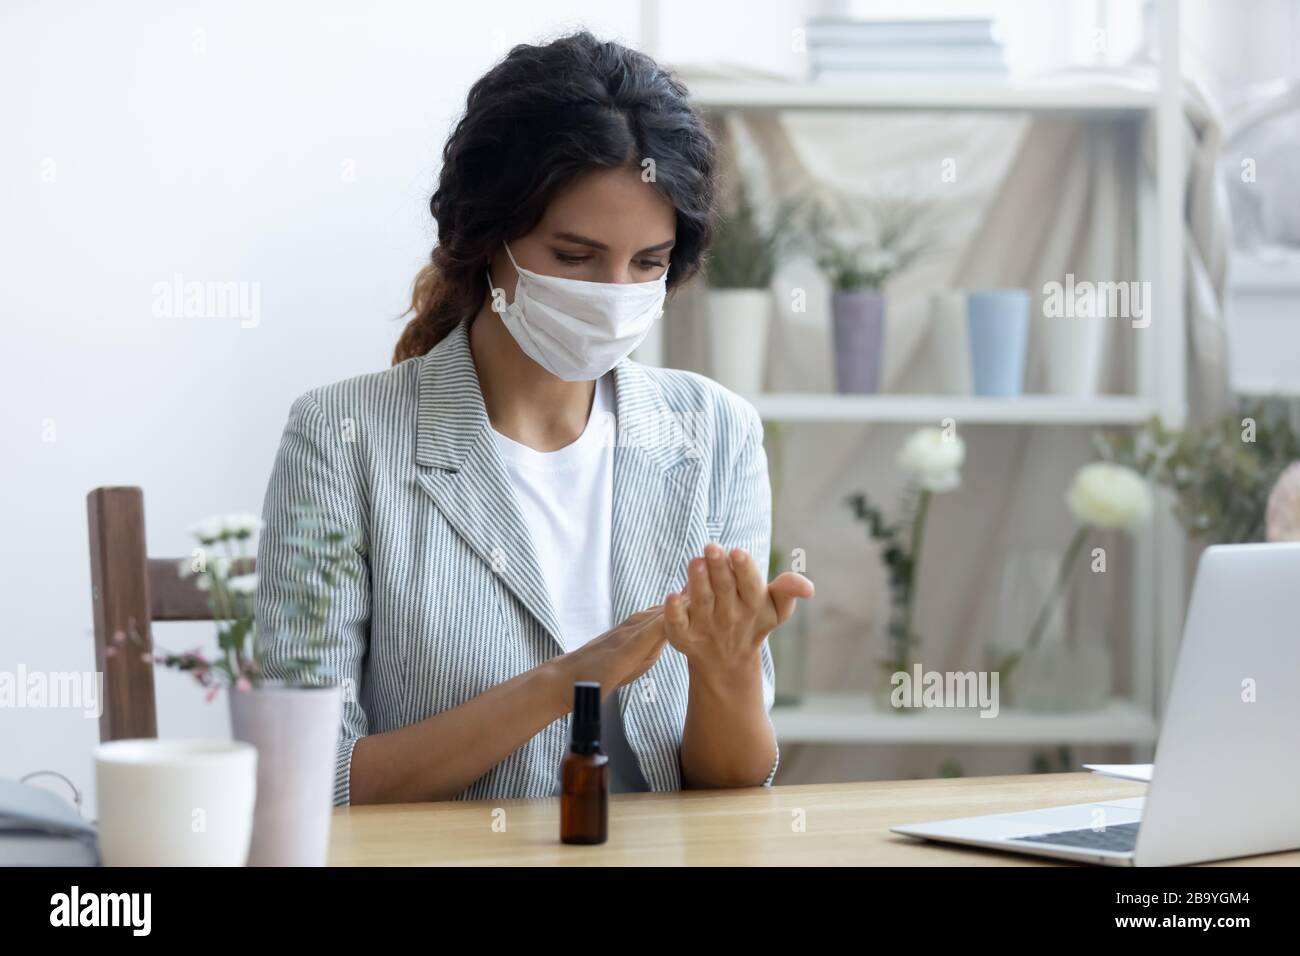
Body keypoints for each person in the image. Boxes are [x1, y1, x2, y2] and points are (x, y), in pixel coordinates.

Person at [255, 31, 813, 806]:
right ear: (488, 242)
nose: (614, 291)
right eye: (576, 257)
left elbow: (730, 782)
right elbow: (310, 779)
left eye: (647, 263)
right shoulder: (342, 439)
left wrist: (727, 670)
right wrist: (571, 679)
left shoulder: (716, 432)